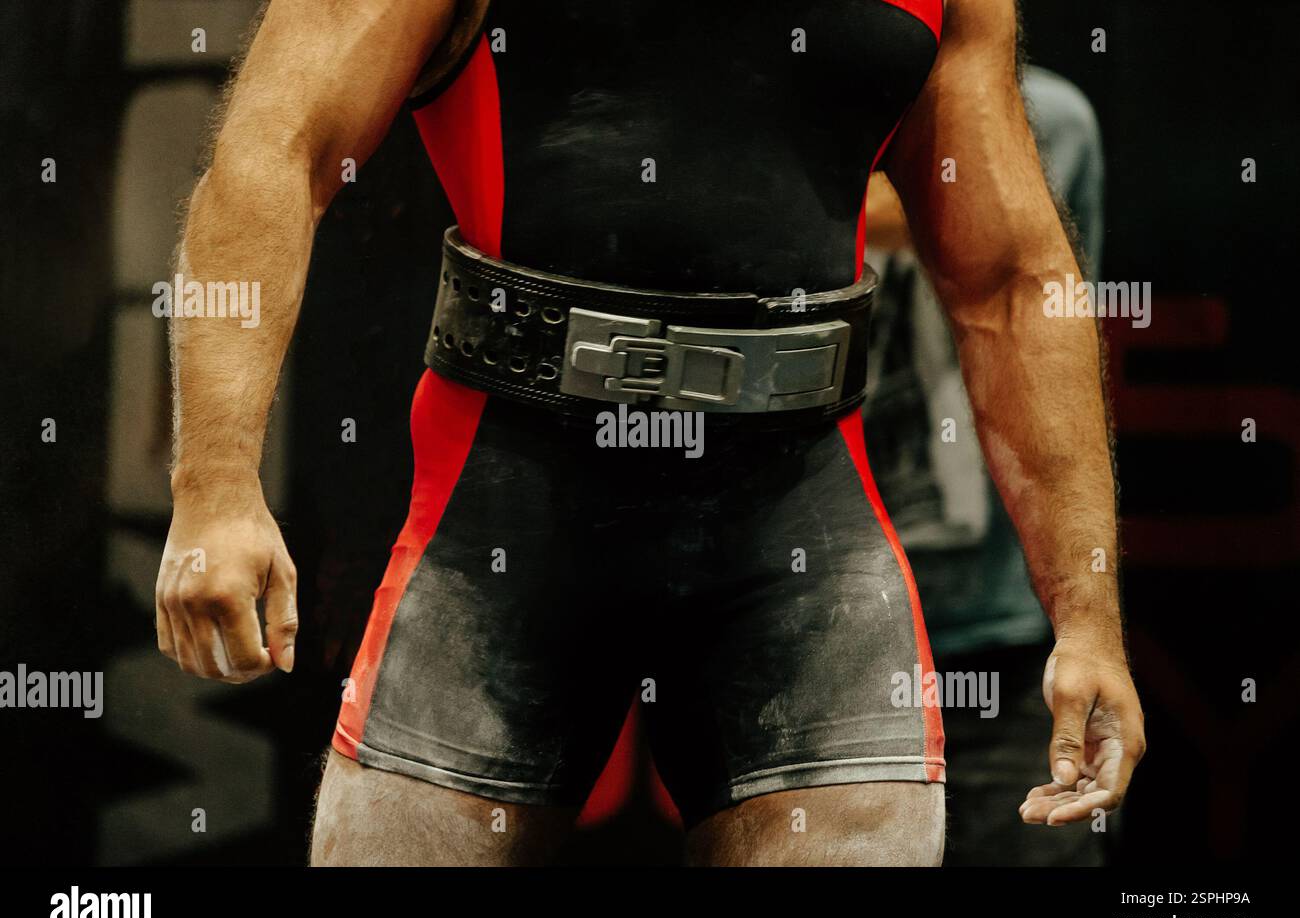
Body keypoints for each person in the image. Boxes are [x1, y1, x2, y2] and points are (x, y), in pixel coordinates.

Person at [154, 0, 1144, 866]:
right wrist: (214, 488)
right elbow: (273, 148)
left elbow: (1010, 280)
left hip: (799, 545)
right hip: (502, 530)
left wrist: (1088, 616)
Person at [861, 66, 1110, 865]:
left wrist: (1090, 629)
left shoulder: (1048, 119)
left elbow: (1000, 258)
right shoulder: (747, 107)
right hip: (803, 617)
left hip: (992, 635)